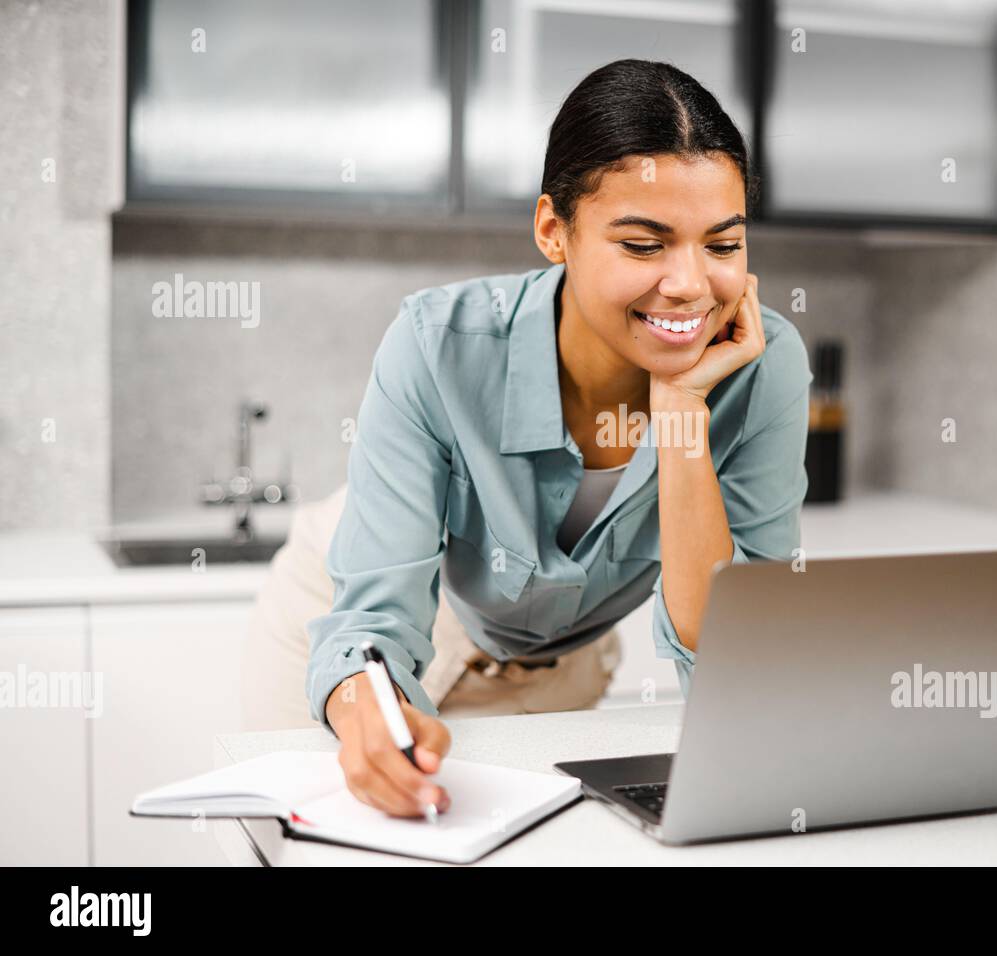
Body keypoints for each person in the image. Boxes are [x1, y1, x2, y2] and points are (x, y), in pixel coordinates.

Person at [241, 58, 813, 820]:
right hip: (377, 630)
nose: (689, 285)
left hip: (561, 660)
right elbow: (372, 619)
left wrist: (680, 408)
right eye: (644, 245)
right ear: (554, 230)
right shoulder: (438, 343)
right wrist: (364, 708)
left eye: (721, 245)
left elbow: (737, 654)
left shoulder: (762, 369)